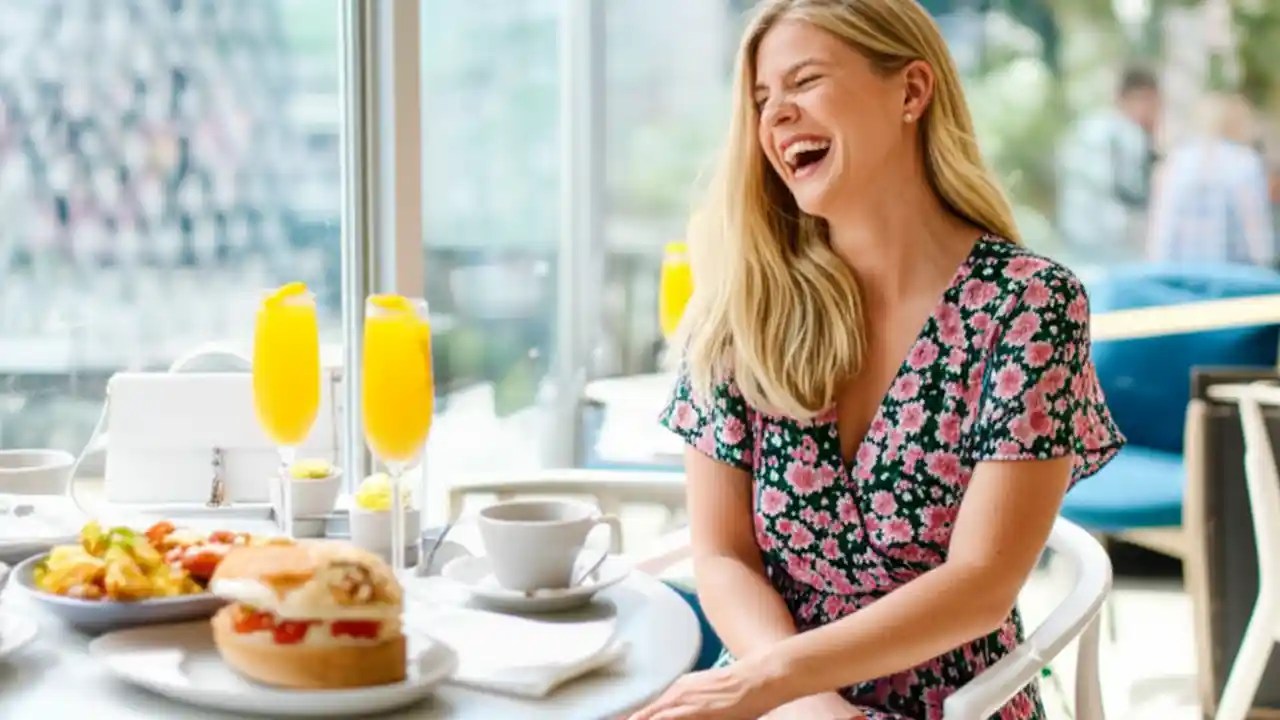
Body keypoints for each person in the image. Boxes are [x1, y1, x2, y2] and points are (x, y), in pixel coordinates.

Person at [629, 1, 1125, 719]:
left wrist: (774, 682)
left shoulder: (1029, 305)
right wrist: (805, 702)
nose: (775, 117)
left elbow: (983, 583)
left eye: (805, 82)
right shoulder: (741, 304)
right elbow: (723, 555)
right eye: (763, 99)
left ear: (912, 92)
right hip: (771, 700)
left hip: (959, 703)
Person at [1147, 92, 1275, 267]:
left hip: (1181, 275)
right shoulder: (1244, 162)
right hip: (1235, 278)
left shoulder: (1175, 162)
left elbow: (1161, 234)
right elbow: (1257, 237)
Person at [1056, 66, 1161, 267]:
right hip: (1115, 246)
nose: (1153, 112)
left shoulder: (1087, 127)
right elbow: (1133, 193)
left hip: (1079, 242)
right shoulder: (1128, 134)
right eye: (1152, 103)